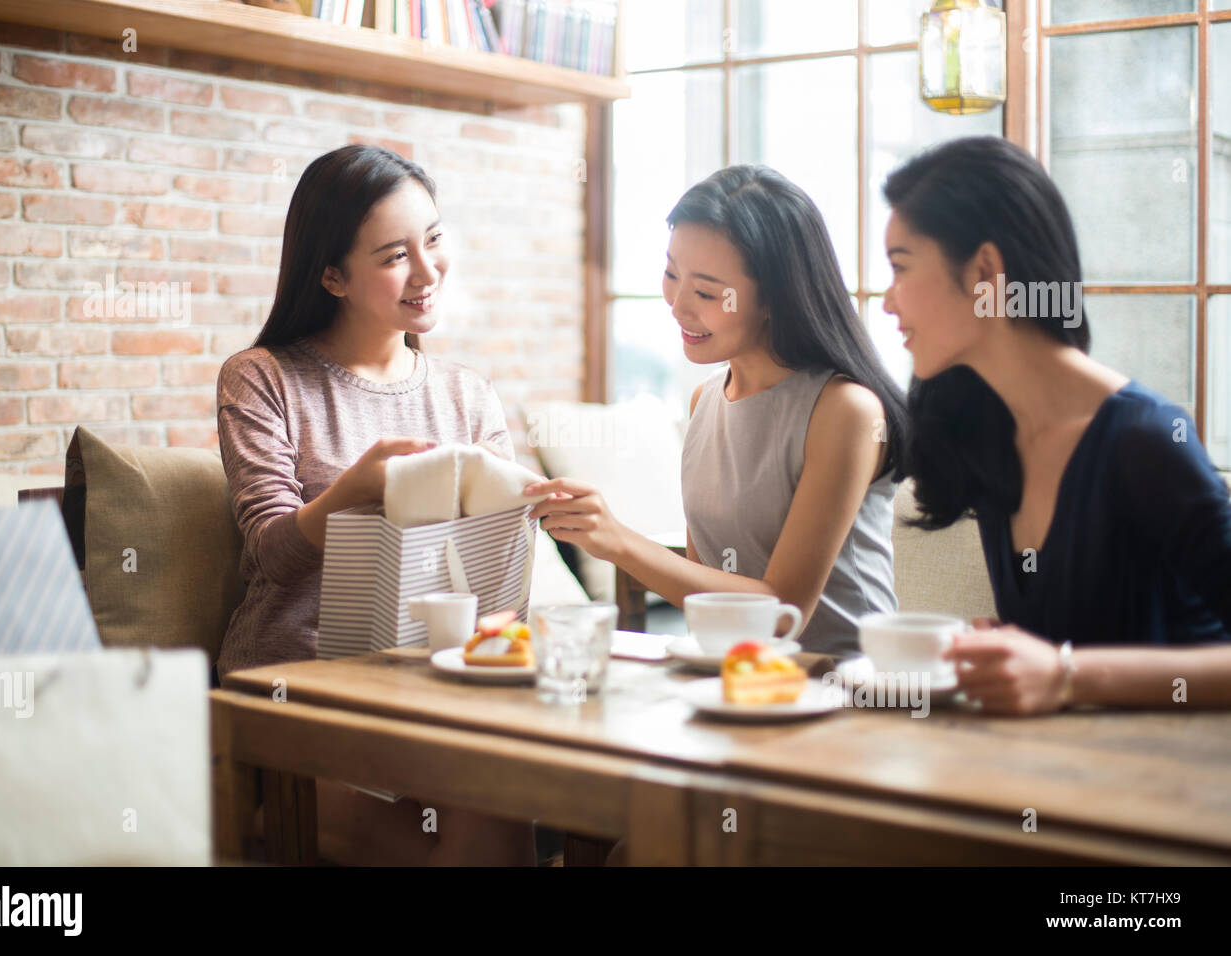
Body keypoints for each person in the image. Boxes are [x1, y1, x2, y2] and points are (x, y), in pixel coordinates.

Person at [215, 144, 533, 864]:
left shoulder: (466, 393)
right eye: (395, 256)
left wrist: (535, 512)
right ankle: (267, 816)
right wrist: (353, 490)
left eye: (435, 240)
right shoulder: (262, 379)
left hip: (437, 690)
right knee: (462, 837)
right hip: (301, 694)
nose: (428, 272)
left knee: (505, 807)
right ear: (332, 275)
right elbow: (268, 553)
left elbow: (499, 570)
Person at [880, 135, 1231, 715]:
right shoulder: (987, 433)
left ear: (986, 271)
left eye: (900, 267)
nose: (889, 301)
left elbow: (1072, 667)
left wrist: (1067, 673)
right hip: (1055, 778)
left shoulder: (1145, 437)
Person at [527, 165, 906, 656]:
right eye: (670, 275)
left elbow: (780, 612)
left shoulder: (846, 410)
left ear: (775, 297)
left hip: (841, 690)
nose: (678, 305)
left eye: (705, 292)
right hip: (729, 680)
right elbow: (705, 588)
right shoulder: (705, 400)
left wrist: (618, 540)